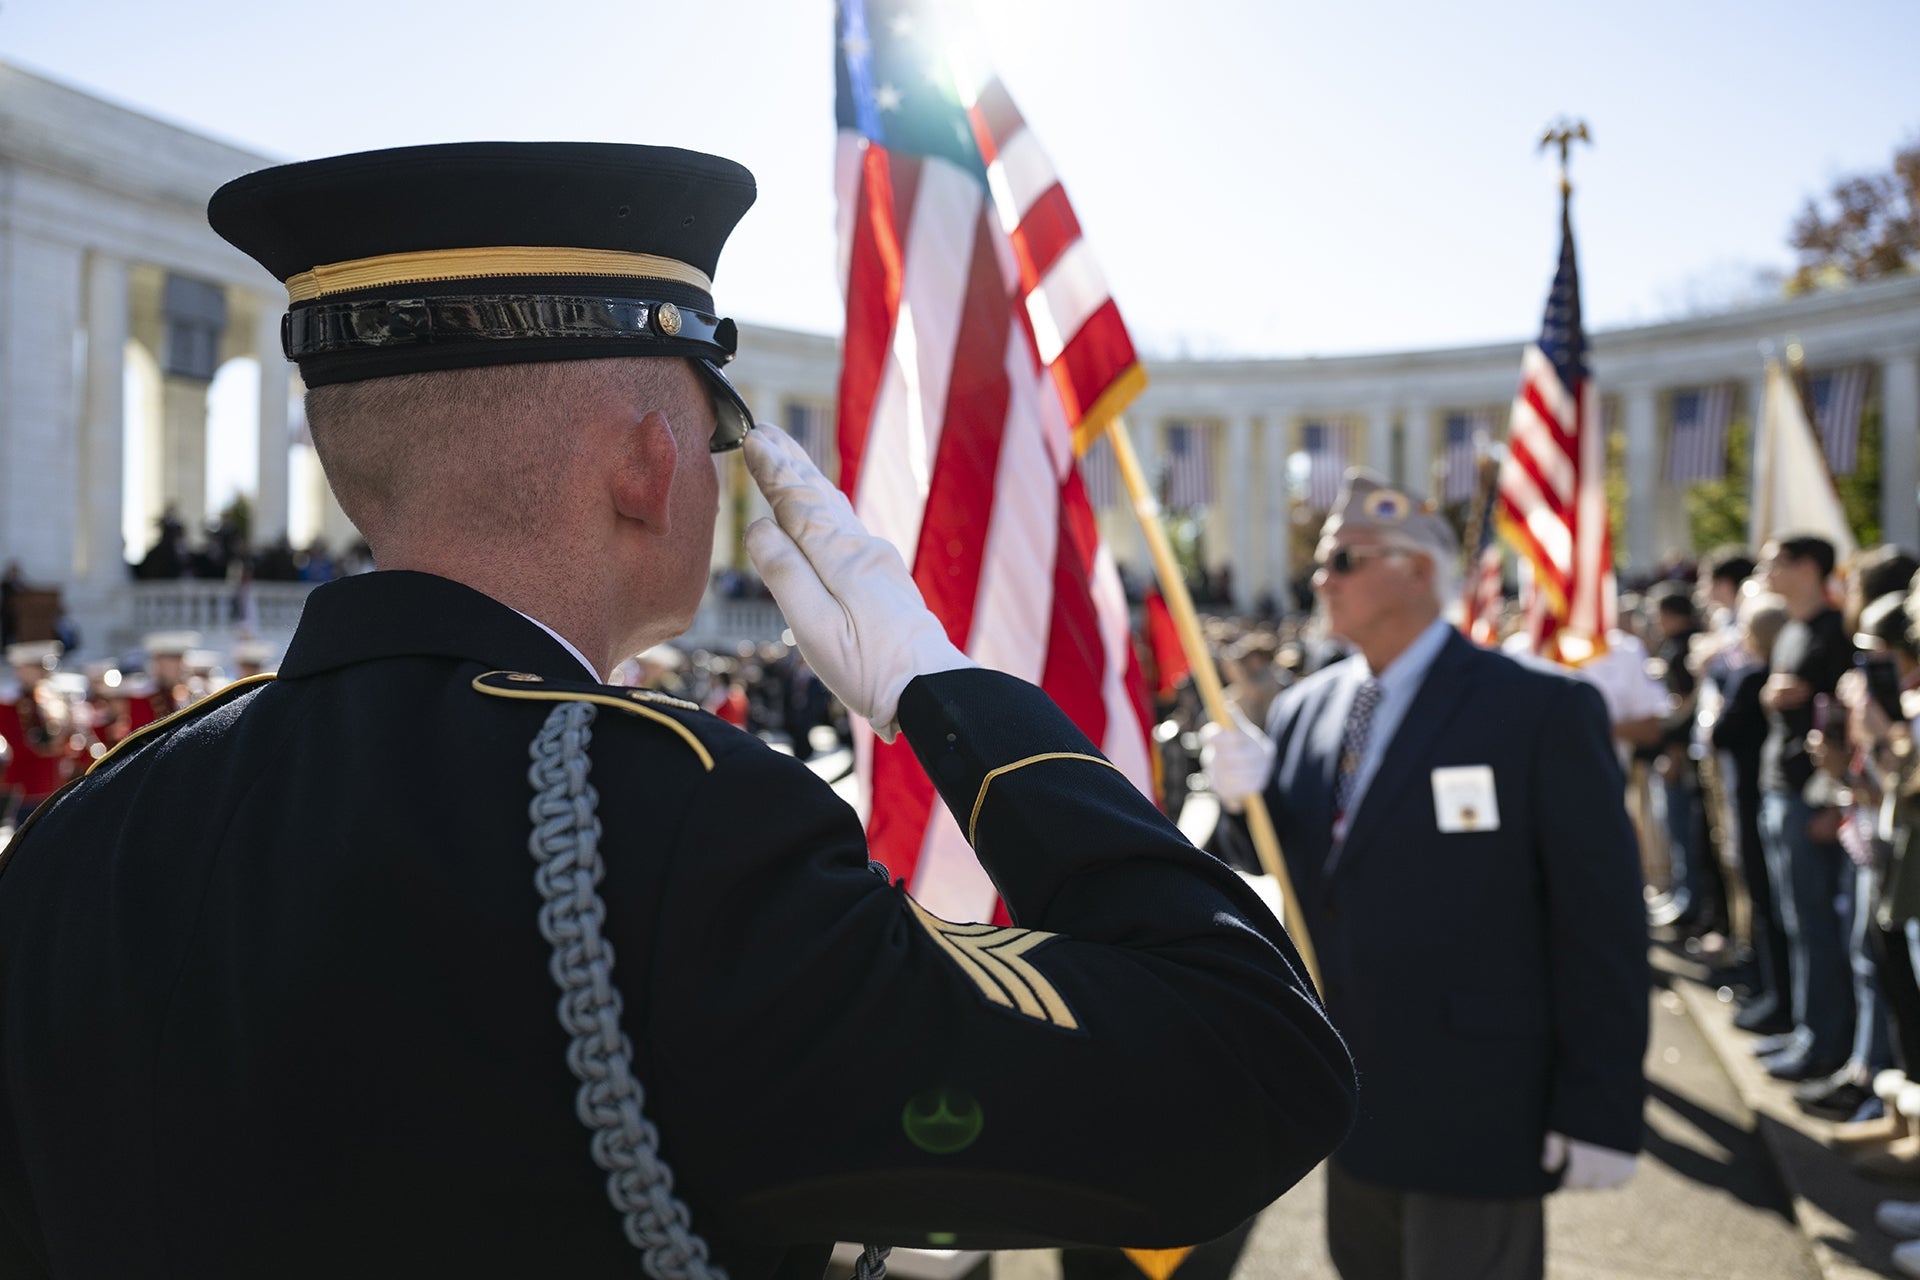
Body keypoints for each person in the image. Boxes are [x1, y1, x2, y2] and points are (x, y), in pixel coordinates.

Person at [0, 142, 1354, 1278]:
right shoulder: (670, 824)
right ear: (652, 467)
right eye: (714, 438)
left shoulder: (84, 833)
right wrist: (947, 690)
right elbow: (1247, 1066)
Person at [1202, 470, 1647, 1280]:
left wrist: (1601, 1104)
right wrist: (1243, 806)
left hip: (1480, 1101)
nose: (1320, 578)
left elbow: (1600, 920)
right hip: (1352, 1093)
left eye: (1344, 560)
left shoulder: (1539, 708)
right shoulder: (1308, 706)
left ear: (1415, 569)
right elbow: (1294, 870)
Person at [1751, 533, 1857, 1081]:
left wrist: (1833, 805)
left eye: (1776, 562)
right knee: (1795, 921)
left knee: (1816, 924)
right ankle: (1805, 1029)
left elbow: (1846, 728)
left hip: (1808, 800)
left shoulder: (1836, 632)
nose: (1766, 572)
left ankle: (1826, 1043)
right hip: (1778, 790)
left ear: (1808, 567)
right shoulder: (1791, 629)